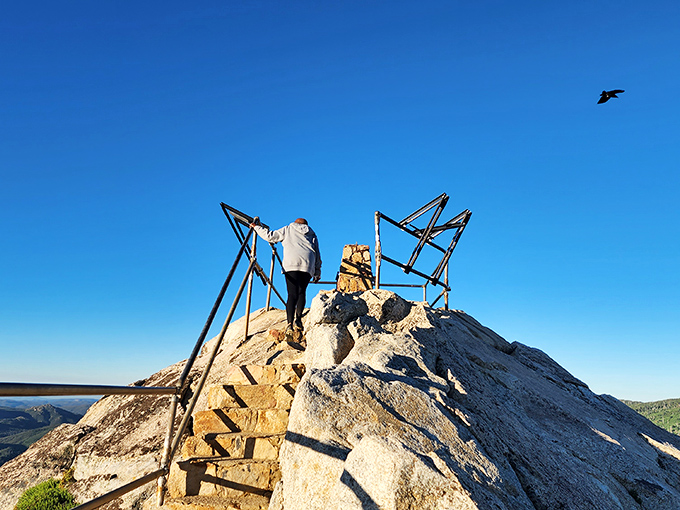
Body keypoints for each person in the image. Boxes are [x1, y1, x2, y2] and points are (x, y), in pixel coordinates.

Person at [250, 216, 321, 334]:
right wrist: (317, 272)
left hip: (291, 264)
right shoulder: (312, 234)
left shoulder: (288, 229)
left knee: (292, 293)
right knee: (301, 291)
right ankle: (298, 320)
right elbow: (317, 253)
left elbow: (270, 236)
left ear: (294, 223)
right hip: (308, 264)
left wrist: (256, 228)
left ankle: (289, 325)